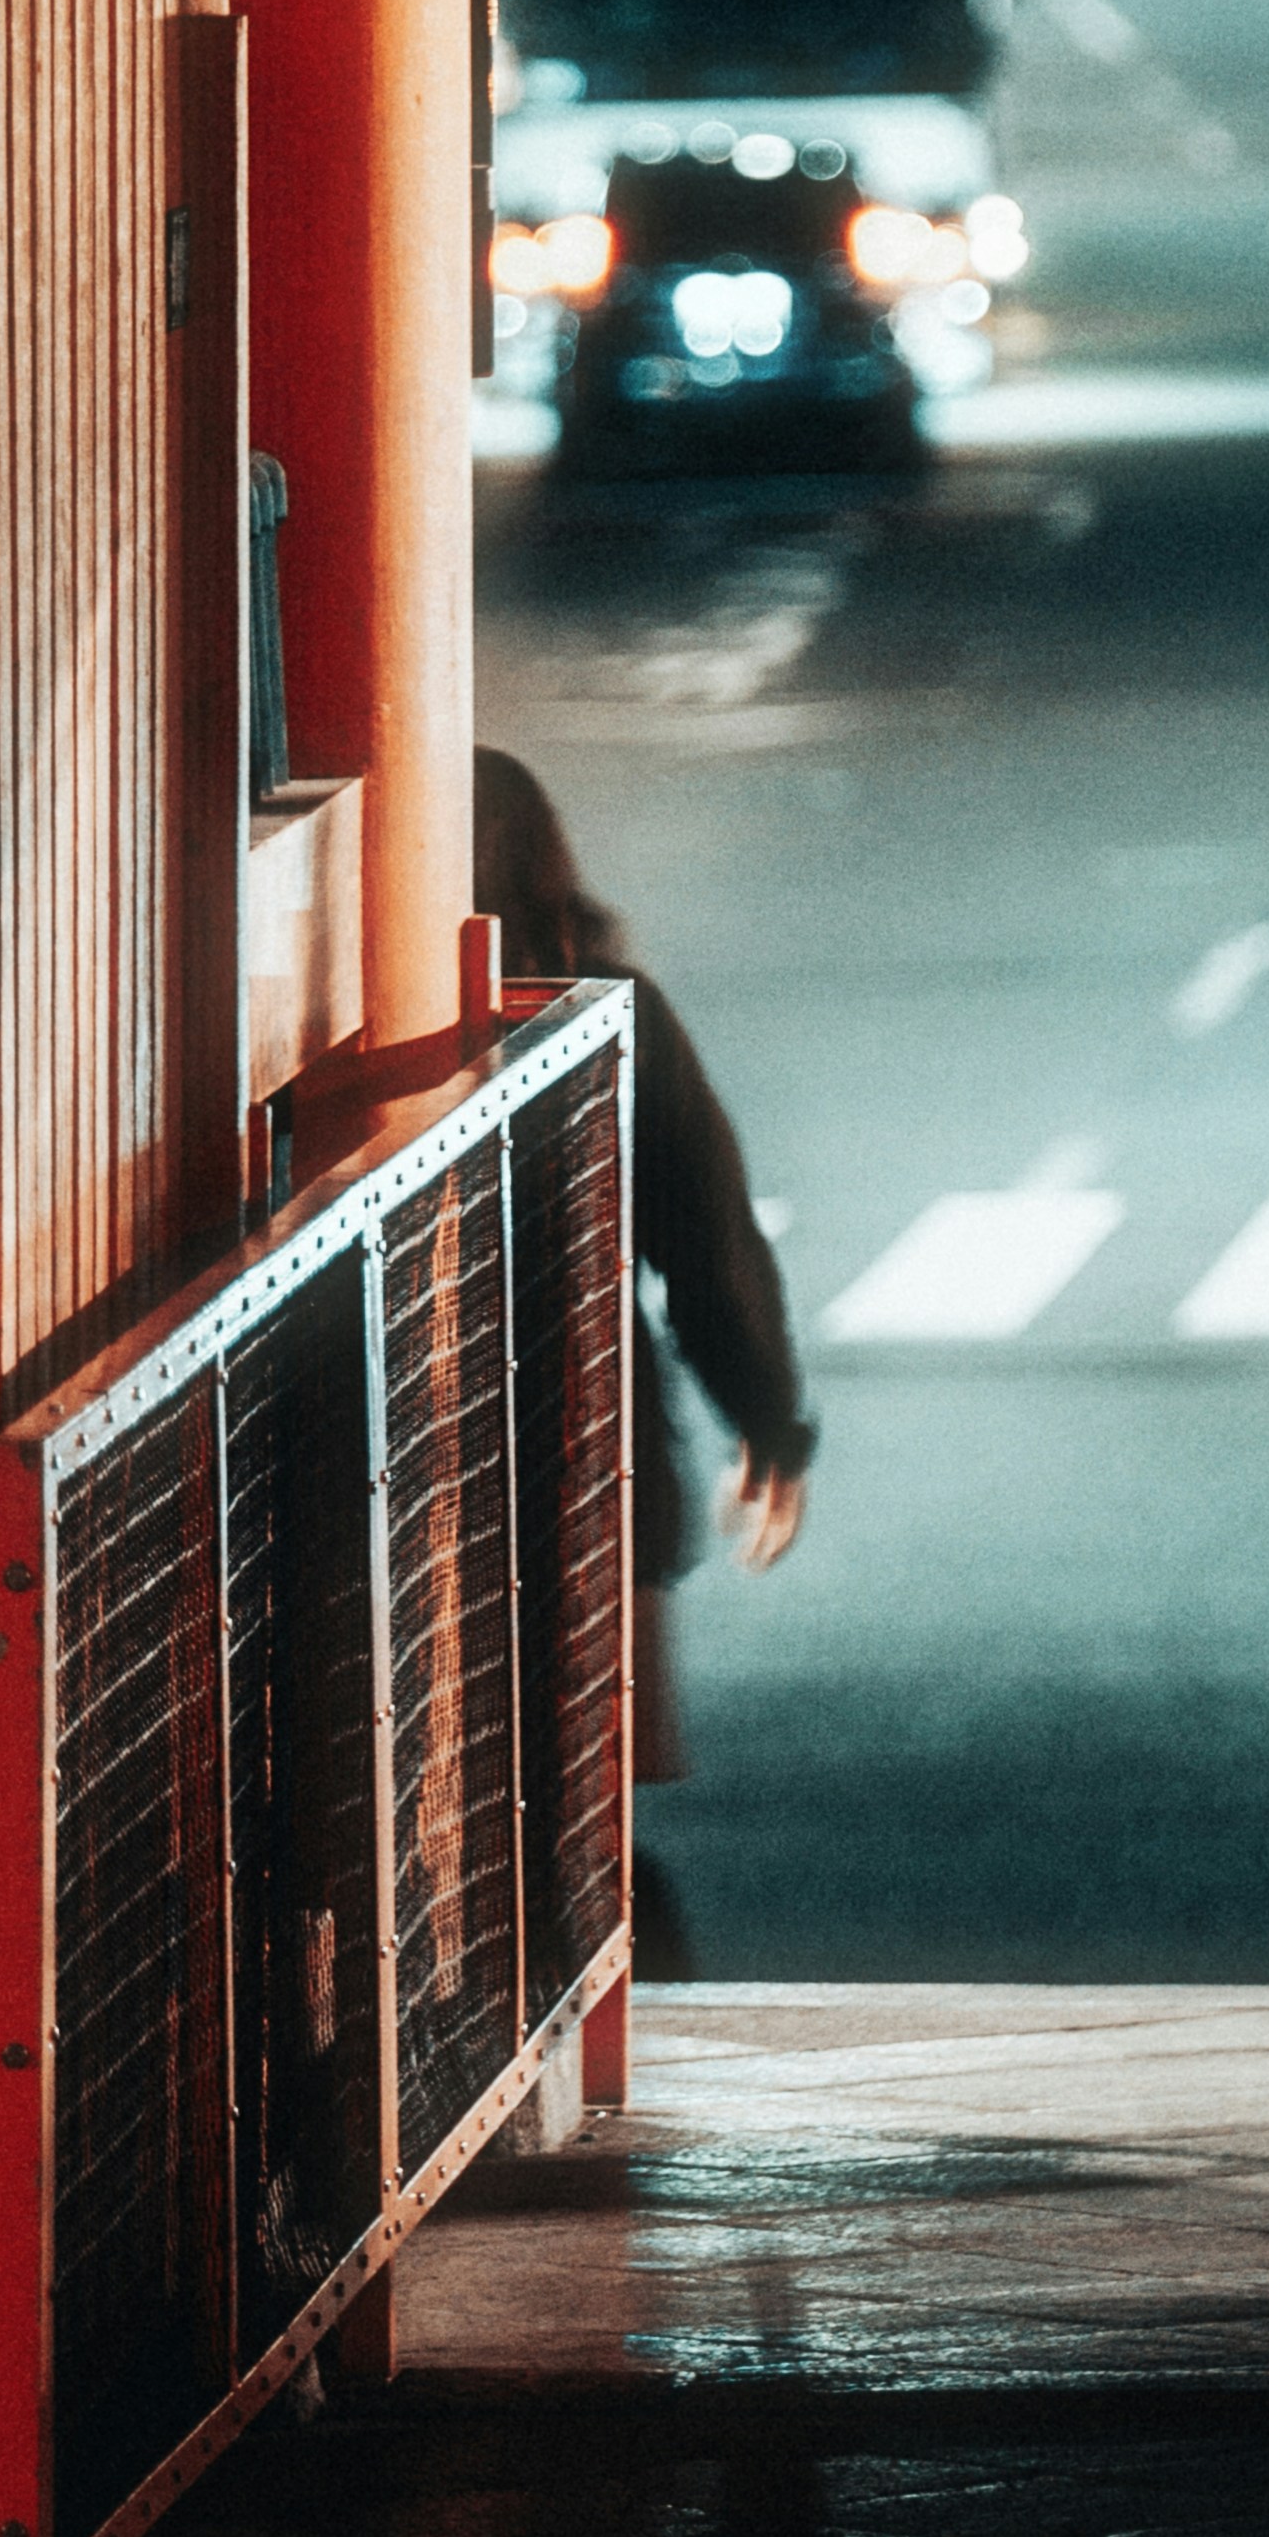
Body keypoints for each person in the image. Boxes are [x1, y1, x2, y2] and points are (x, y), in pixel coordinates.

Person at [476, 742, 817, 1972]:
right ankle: (607, 2016)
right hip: (588, 1464)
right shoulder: (605, 1011)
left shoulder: (352, 1022)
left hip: (384, 1475)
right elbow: (708, 1244)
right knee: (586, 1805)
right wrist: (768, 1426)